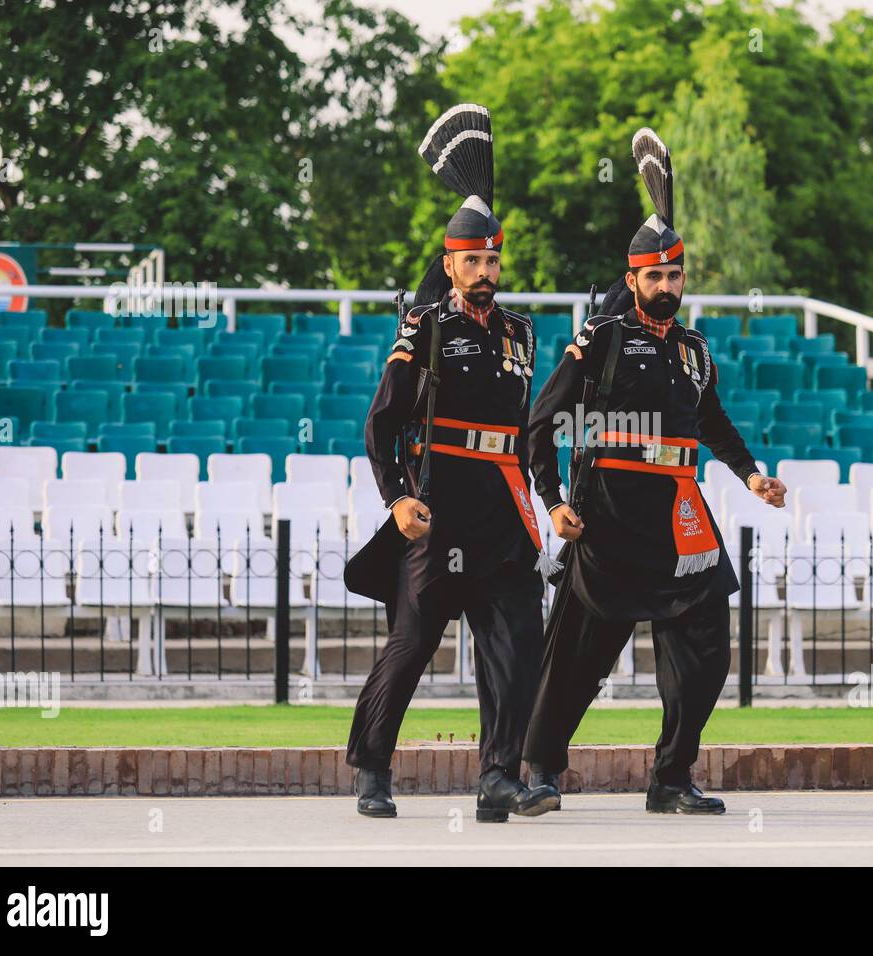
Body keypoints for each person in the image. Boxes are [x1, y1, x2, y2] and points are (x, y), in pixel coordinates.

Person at [522, 128, 787, 814]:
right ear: (633, 277)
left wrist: (752, 475)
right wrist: (551, 501)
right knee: (575, 662)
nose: (666, 286)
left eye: (675, 275)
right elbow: (542, 421)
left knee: (707, 653)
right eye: (654, 277)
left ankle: (670, 778)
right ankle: (540, 770)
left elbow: (713, 422)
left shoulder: (696, 350)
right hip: (605, 512)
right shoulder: (602, 339)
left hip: (679, 512)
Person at [344, 103, 558, 822]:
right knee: (410, 648)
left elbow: (529, 429)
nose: (487, 270)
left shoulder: (524, 334)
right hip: (439, 509)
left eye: (494, 258)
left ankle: (499, 773)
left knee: (518, 643)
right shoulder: (424, 328)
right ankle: (373, 767)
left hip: (504, 506)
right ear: (450, 264)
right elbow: (382, 423)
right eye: (474, 259)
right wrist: (395, 498)